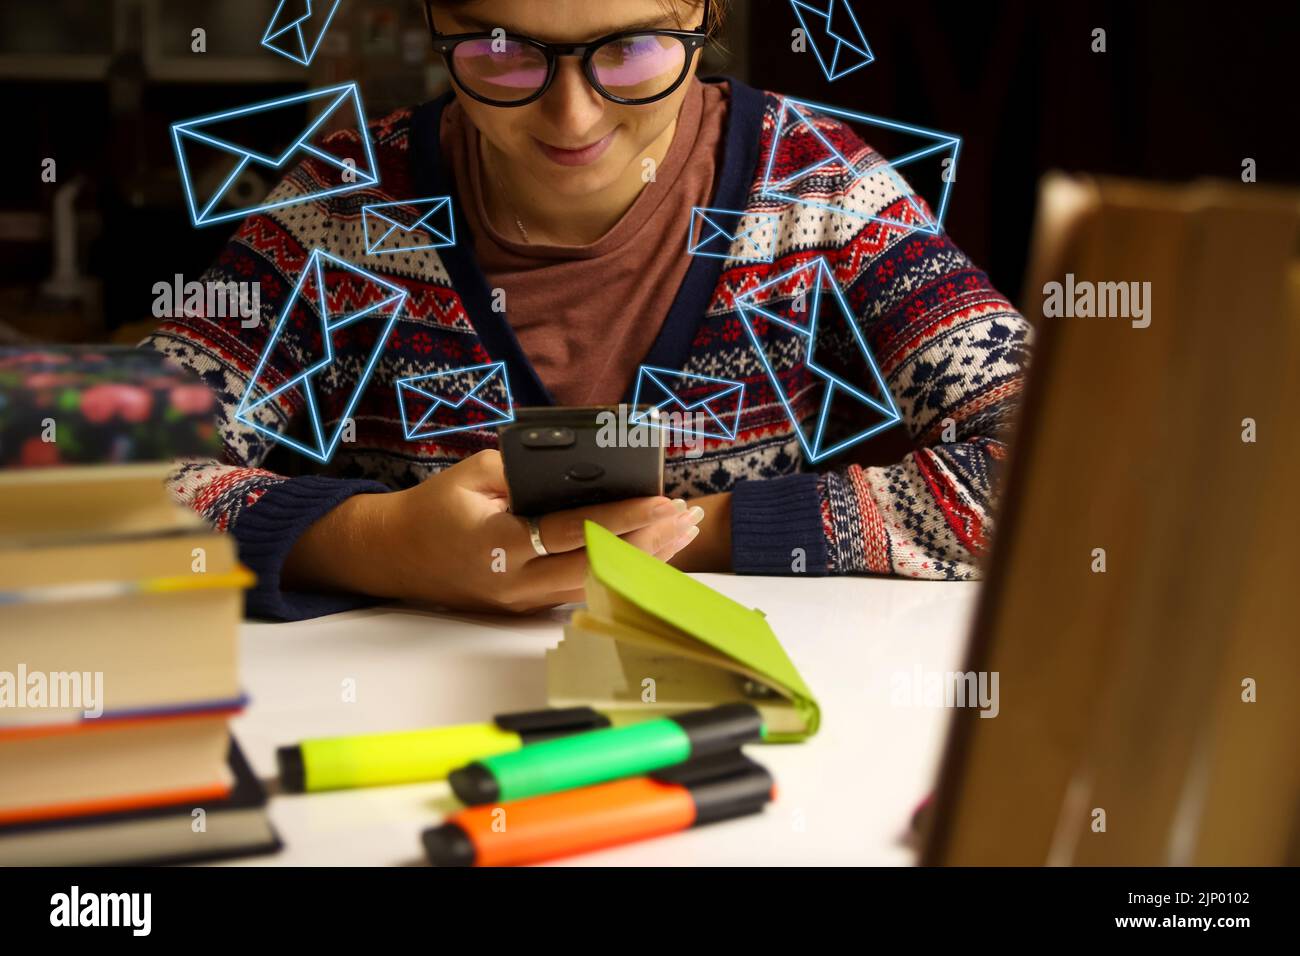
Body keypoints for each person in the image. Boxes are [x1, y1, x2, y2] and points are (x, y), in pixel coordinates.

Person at [142, 0, 1030, 620]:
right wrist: (376, 544)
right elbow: (90, 479)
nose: (571, 119)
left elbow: (1064, 472)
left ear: (703, 16)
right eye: (501, 50)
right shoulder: (339, 208)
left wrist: (690, 535)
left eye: (632, 49)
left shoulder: (819, 187)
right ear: (433, 23)